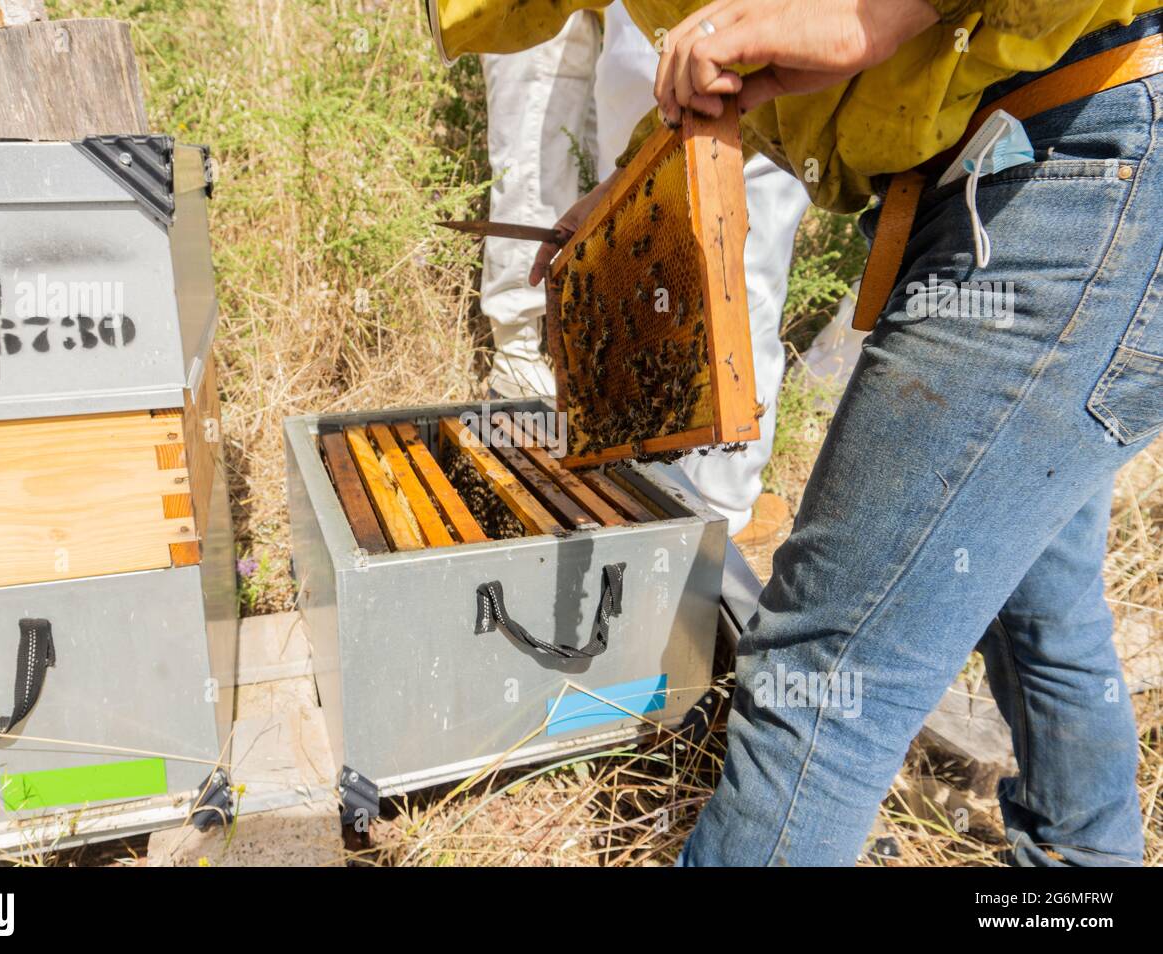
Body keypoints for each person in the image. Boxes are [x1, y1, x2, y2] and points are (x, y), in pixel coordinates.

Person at [435, 0, 1163, 865]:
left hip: (1069, 163)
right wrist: (620, 191)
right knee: (1042, 608)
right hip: (1020, 176)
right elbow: (748, 87)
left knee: (817, 674)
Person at [466, 2, 809, 543]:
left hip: (646, 44)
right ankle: (721, 508)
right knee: (739, 264)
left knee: (644, 269)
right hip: (735, 49)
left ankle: (649, 496)